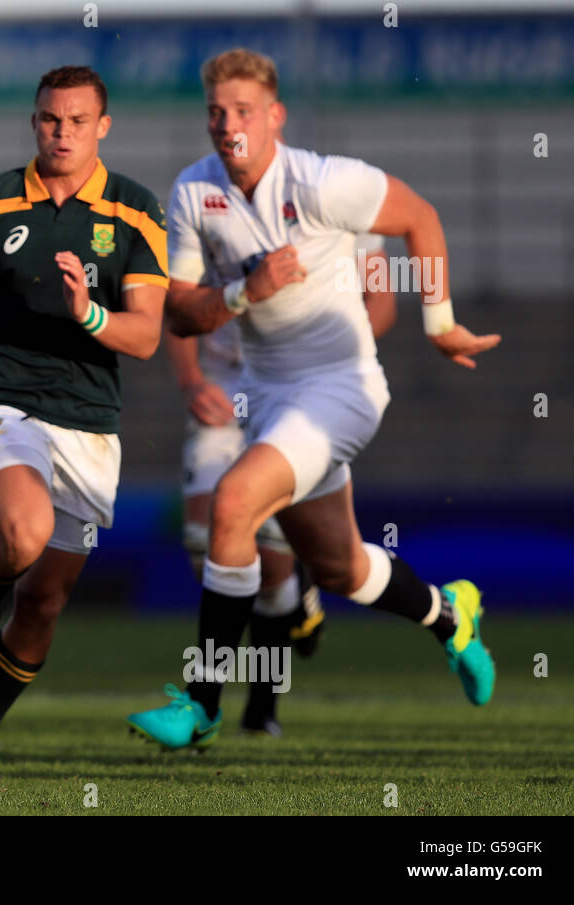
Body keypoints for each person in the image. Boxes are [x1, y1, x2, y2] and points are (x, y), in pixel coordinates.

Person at [126, 48, 500, 751]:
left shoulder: (326, 181)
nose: (227, 125)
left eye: (242, 112)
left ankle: (203, 703)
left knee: (234, 505)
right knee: (340, 567)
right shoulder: (192, 192)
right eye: (216, 111)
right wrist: (246, 290)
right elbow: (178, 313)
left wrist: (441, 324)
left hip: (343, 387)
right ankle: (452, 616)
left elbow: (420, 217)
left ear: (274, 117)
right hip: (269, 399)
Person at [0, 66, 167, 776]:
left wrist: (88, 311)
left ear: (102, 126)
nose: (63, 133)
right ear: (34, 122)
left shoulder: (138, 211)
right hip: (6, 403)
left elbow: (145, 336)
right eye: (51, 120)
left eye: (78, 121)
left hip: (90, 421)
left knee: (48, 601)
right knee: (20, 535)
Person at [165, 233, 395, 736]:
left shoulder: (334, 201)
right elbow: (176, 304)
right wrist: (191, 382)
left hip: (295, 390)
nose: (233, 149)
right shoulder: (207, 200)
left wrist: (341, 362)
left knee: (270, 561)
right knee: (206, 547)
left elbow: (381, 295)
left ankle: (259, 709)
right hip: (226, 388)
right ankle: (296, 595)